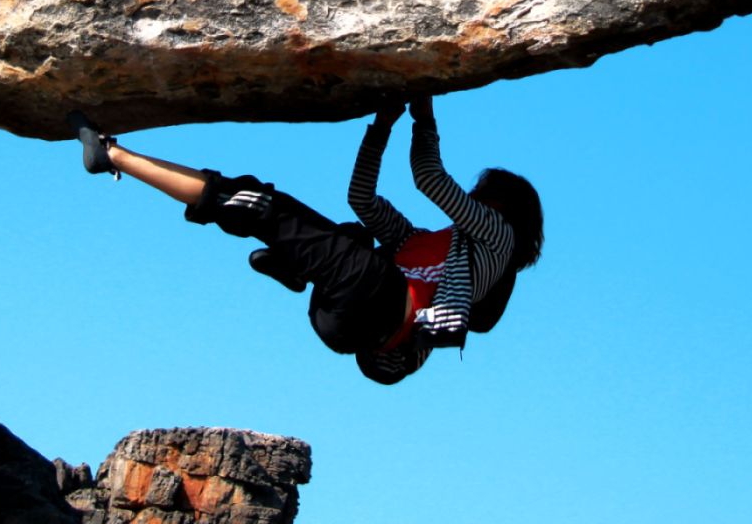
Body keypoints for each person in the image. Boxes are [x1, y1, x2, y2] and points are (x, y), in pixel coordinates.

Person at [67, 98, 543, 384]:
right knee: (256, 201)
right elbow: (361, 197)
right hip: (340, 319)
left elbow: (428, 178)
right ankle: (113, 155)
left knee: (336, 243)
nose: (474, 202)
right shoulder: (416, 241)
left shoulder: (496, 237)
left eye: (483, 196)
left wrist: (423, 116)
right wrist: (380, 129)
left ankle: (297, 265)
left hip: (380, 308)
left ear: (501, 205)